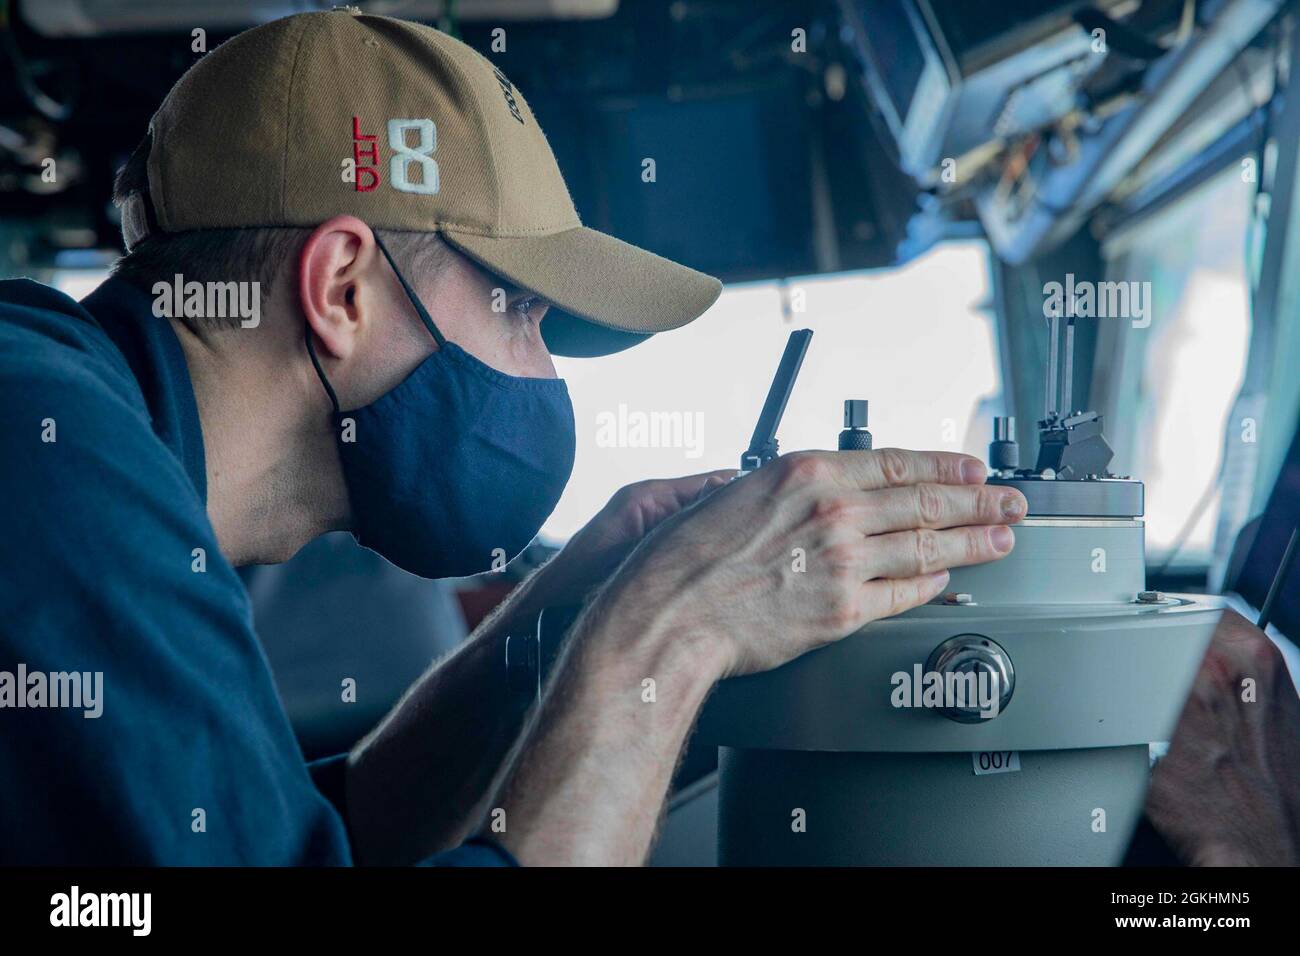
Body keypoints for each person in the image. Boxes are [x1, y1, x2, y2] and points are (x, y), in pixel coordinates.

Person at [11, 9, 1272, 868]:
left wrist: (575, 601)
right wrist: (677, 624)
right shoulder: (56, 468)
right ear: (340, 288)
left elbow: (320, 837)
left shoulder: (90, 446)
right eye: (515, 308)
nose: (538, 375)